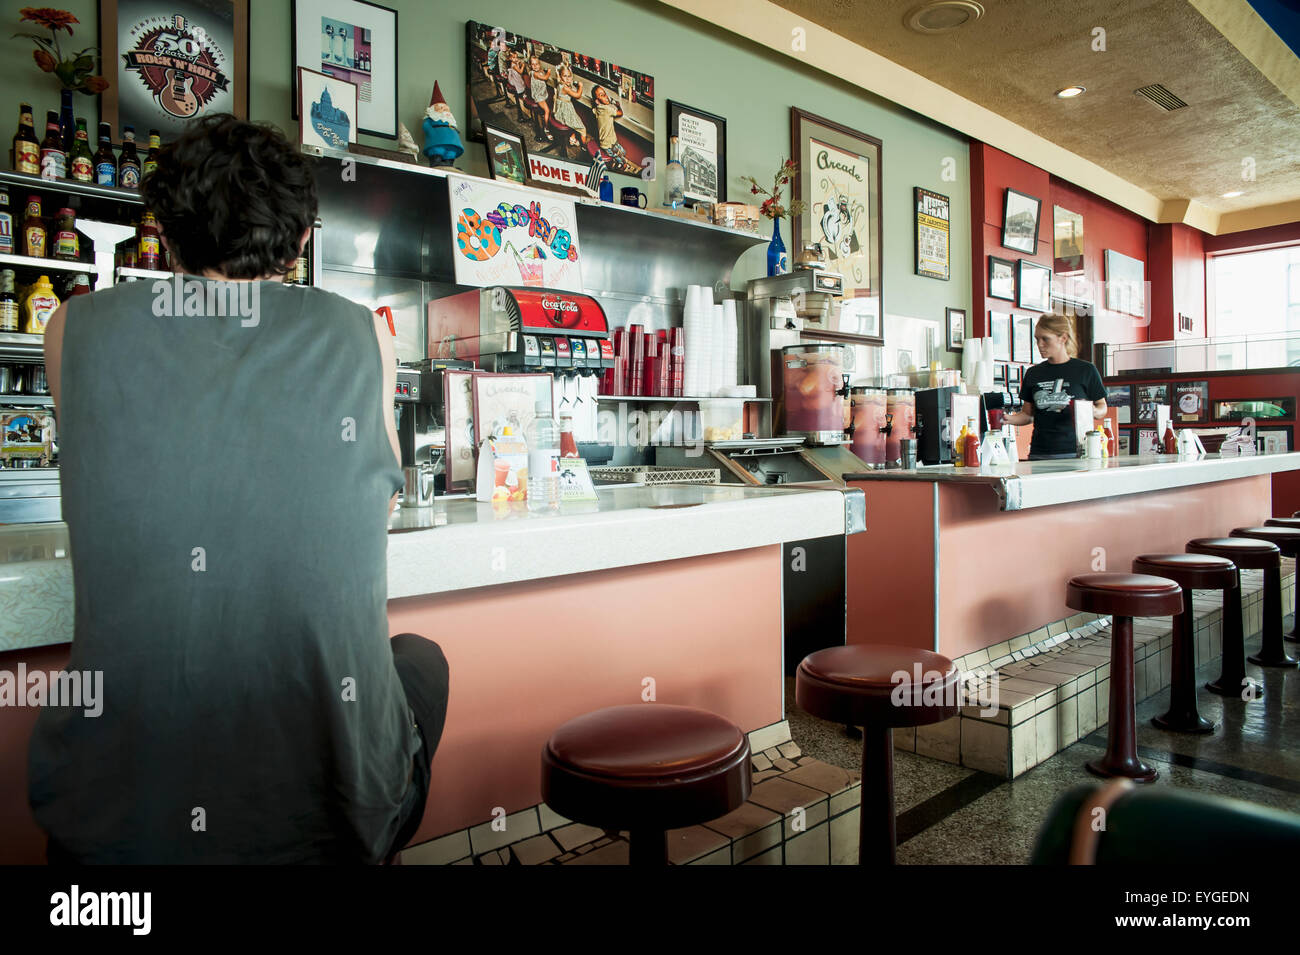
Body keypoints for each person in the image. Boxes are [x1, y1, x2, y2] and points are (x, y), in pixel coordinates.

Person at [29, 114, 449, 864]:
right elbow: (376, 498)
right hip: (330, 818)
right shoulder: (366, 335)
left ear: (163, 227)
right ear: (299, 240)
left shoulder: (72, 329)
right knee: (422, 661)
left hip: (111, 819)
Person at [1003, 313, 1107, 460]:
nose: (1039, 344)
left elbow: (1102, 407)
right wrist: (1007, 419)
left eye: (1045, 339)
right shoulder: (1033, 373)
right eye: (1037, 339)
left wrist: (1093, 411)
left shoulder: (1086, 370)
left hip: (1075, 453)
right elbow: (1027, 414)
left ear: (1063, 338)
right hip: (1039, 453)